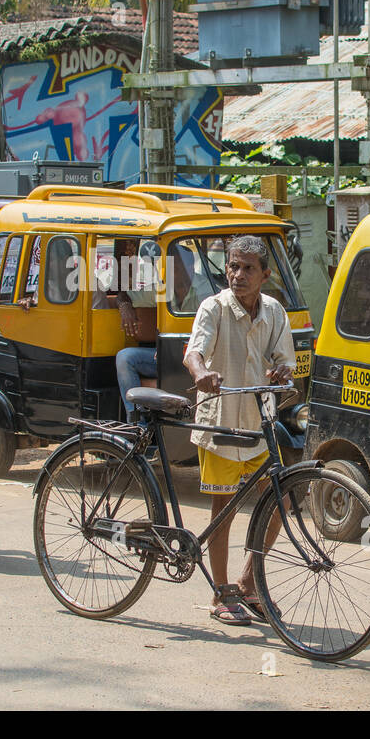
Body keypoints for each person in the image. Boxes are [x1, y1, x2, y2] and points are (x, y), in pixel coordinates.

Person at [183, 235, 294, 626]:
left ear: (265, 274)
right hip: (222, 423)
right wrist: (201, 374)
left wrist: (282, 372)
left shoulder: (275, 312)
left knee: (277, 506)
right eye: (233, 265)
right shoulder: (213, 308)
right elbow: (194, 352)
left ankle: (249, 583)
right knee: (224, 510)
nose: (238, 274)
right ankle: (220, 592)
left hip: (259, 423)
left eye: (248, 268)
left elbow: (285, 361)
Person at [113, 237, 160, 421]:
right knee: (125, 357)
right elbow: (123, 294)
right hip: (166, 354)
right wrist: (124, 306)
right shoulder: (161, 289)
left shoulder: (206, 291)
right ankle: (137, 422)